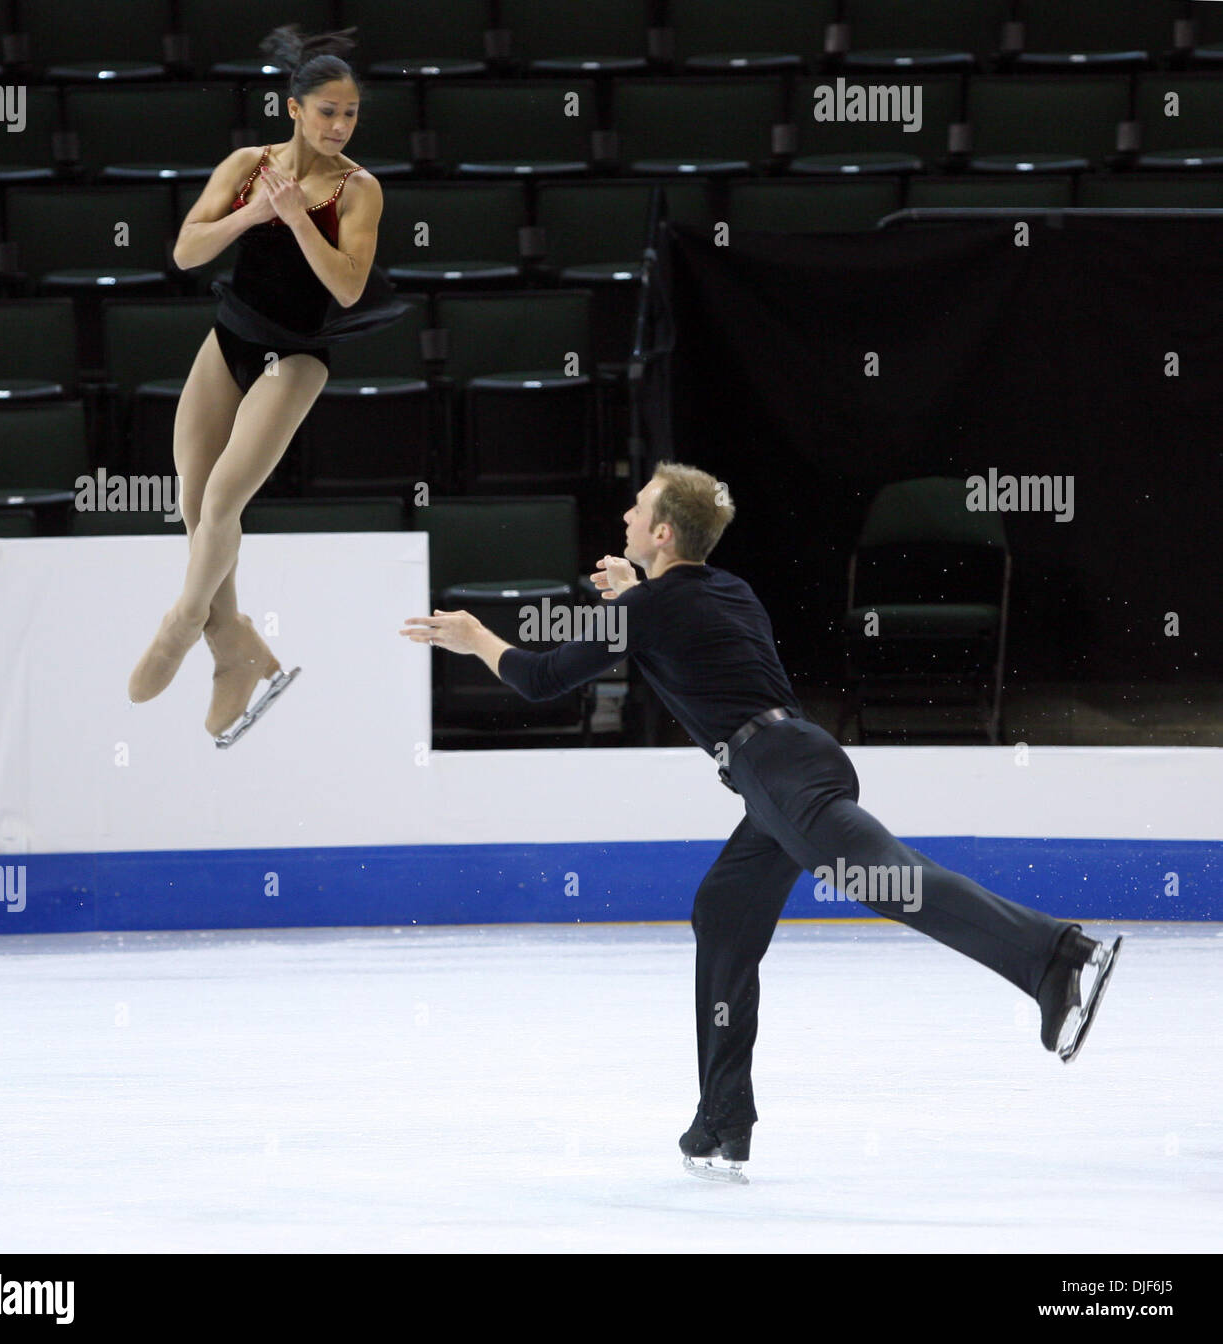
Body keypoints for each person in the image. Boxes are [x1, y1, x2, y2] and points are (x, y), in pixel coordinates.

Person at [400, 462, 1122, 1182]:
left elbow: (539, 678)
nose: (623, 515)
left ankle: (1054, 955)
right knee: (722, 911)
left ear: (660, 531)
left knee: (899, 885)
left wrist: (476, 637)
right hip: (799, 763)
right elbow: (683, 638)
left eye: (638, 506)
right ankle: (722, 1120)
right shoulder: (728, 590)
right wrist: (636, 598)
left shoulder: (650, 608)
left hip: (778, 780)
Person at [128, 23, 408, 743]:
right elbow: (188, 249)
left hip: (298, 355)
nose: (341, 126)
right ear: (293, 109)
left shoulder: (359, 189)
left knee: (224, 497)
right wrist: (254, 211)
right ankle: (237, 649)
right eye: (327, 112)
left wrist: (296, 220)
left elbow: (348, 288)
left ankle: (184, 624)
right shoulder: (247, 163)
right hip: (230, 340)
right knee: (193, 500)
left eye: (350, 114)